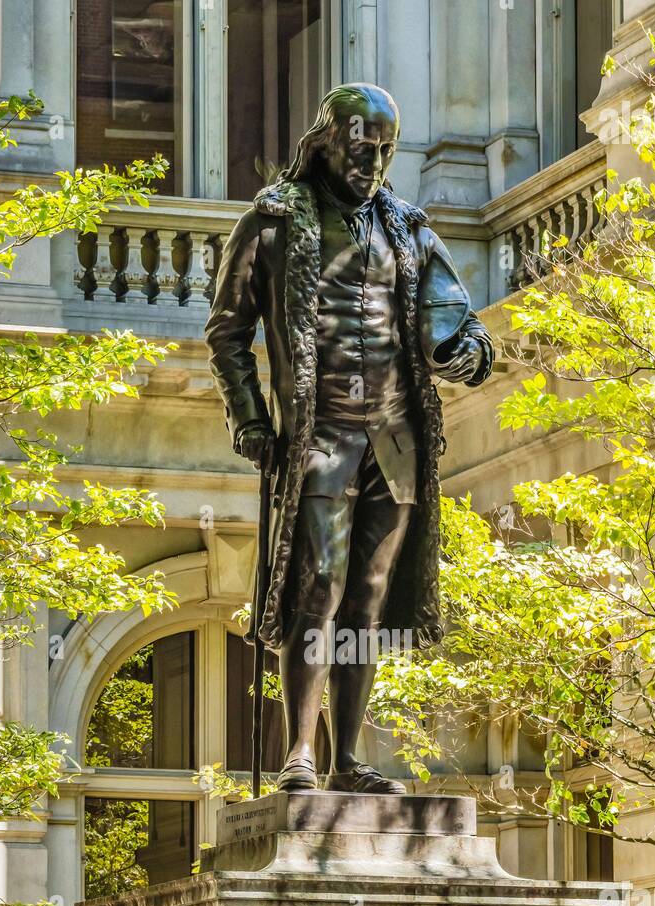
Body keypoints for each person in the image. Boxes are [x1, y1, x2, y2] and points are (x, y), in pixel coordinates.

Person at [206, 83, 493, 793]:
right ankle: (300, 752)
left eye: (387, 152)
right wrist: (249, 418)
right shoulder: (273, 222)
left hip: (395, 440)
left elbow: (464, 325)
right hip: (319, 435)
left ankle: (348, 760)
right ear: (326, 139)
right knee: (318, 590)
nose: (373, 163)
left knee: (367, 598)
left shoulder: (409, 229)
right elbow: (227, 332)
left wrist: (469, 354)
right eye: (363, 148)